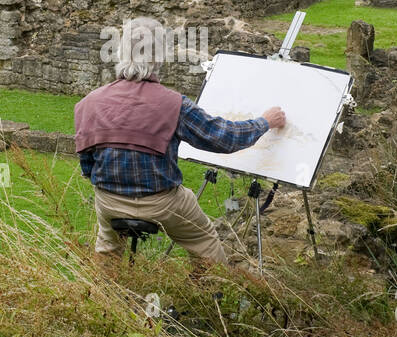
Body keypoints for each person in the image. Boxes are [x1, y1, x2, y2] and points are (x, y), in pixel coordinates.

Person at [75, 18, 286, 269]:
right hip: (161, 203)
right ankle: (205, 294)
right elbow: (224, 138)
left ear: (121, 53)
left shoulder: (89, 102)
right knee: (205, 240)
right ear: (159, 57)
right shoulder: (174, 104)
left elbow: (87, 167)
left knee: (107, 247)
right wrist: (264, 122)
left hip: (109, 201)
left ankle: (100, 298)